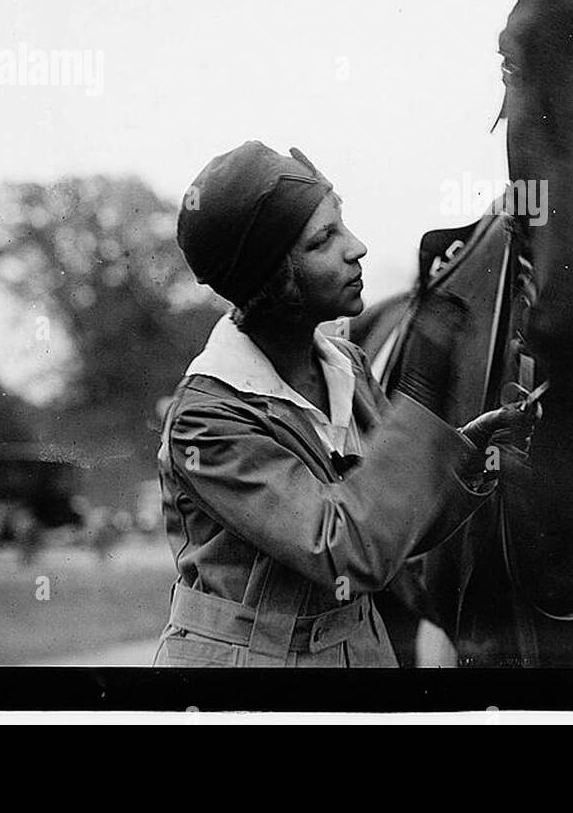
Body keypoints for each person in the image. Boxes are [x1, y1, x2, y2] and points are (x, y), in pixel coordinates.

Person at [153, 141, 525, 668]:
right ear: (270, 276)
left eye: (342, 226)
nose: (358, 248)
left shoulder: (345, 365)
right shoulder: (206, 420)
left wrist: (464, 458)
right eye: (324, 239)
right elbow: (348, 551)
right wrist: (419, 393)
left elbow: (394, 533)